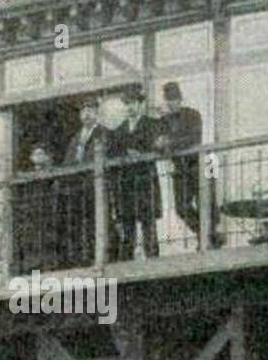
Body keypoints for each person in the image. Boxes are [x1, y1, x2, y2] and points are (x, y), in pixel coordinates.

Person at [157, 80, 223, 248]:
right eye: (169, 99)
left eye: (175, 99)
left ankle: (209, 238)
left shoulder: (193, 114)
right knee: (181, 207)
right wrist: (164, 144)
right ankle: (207, 235)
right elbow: (158, 145)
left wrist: (169, 143)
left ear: (180, 99)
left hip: (203, 162)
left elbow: (193, 138)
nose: (172, 103)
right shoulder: (162, 122)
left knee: (207, 202)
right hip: (180, 168)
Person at [108, 84, 162, 259]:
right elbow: (113, 153)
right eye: (127, 104)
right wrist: (125, 155)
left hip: (145, 178)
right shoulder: (118, 130)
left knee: (148, 220)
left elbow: (156, 146)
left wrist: (141, 154)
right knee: (128, 220)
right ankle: (127, 259)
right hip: (126, 182)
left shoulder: (151, 124)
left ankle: (153, 257)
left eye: (134, 103)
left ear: (141, 104)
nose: (130, 107)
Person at [59, 95, 107, 265]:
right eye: (83, 111)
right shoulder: (76, 138)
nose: (86, 114)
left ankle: (99, 256)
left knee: (98, 222)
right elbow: (68, 162)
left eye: (90, 110)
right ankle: (82, 258)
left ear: (96, 113)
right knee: (80, 223)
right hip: (78, 189)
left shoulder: (103, 133)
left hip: (96, 187)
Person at [12, 144, 59, 273]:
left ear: (46, 156)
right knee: (31, 239)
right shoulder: (28, 174)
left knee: (45, 239)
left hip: (45, 210)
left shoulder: (50, 171)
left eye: (41, 154)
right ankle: (32, 268)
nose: (38, 157)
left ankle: (47, 267)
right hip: (32, 211)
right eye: (35, 154)